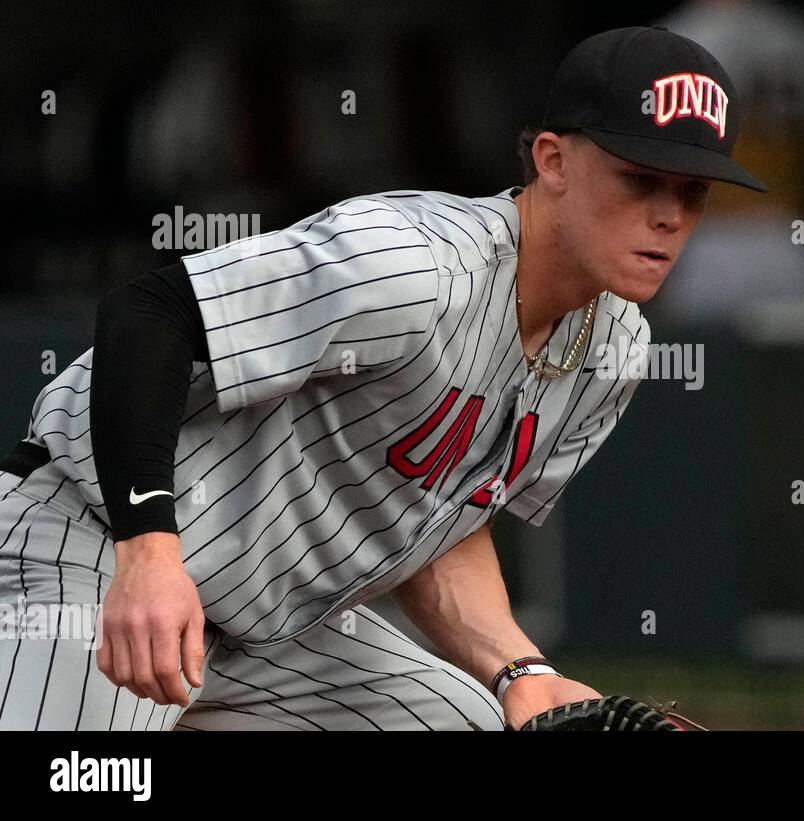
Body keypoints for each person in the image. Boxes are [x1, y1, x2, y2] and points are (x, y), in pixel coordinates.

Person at [0, 25, 764, 731]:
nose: (668, 214)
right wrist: (149, 555)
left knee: (464, 720)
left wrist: (522, 670)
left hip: (268, 633)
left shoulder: (615, 349)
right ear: (553, 161)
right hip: (90, 546)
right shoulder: (413, 266)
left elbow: (440, 522)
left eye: (691, 190)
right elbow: (149, 314)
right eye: (640, 180)